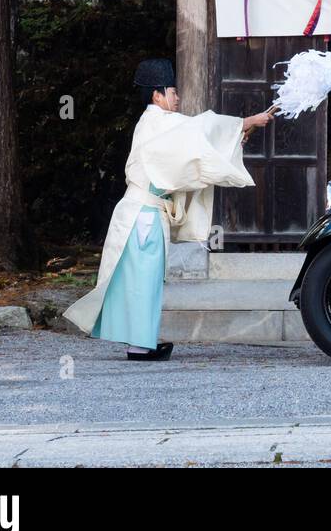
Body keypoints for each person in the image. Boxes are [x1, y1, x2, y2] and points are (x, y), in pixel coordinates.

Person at [63, 58, 274, 360]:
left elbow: (194, 144)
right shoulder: (159, 122)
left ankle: (140, 340)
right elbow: (202, 129)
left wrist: (238, 134)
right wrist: (246, 122)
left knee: (140, 280)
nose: (177, 98)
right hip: (143, 215)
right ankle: (139, 345)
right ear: (157, 95)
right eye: (173, 92)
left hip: (142, 214)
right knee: (142, 281)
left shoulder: (155, 123)